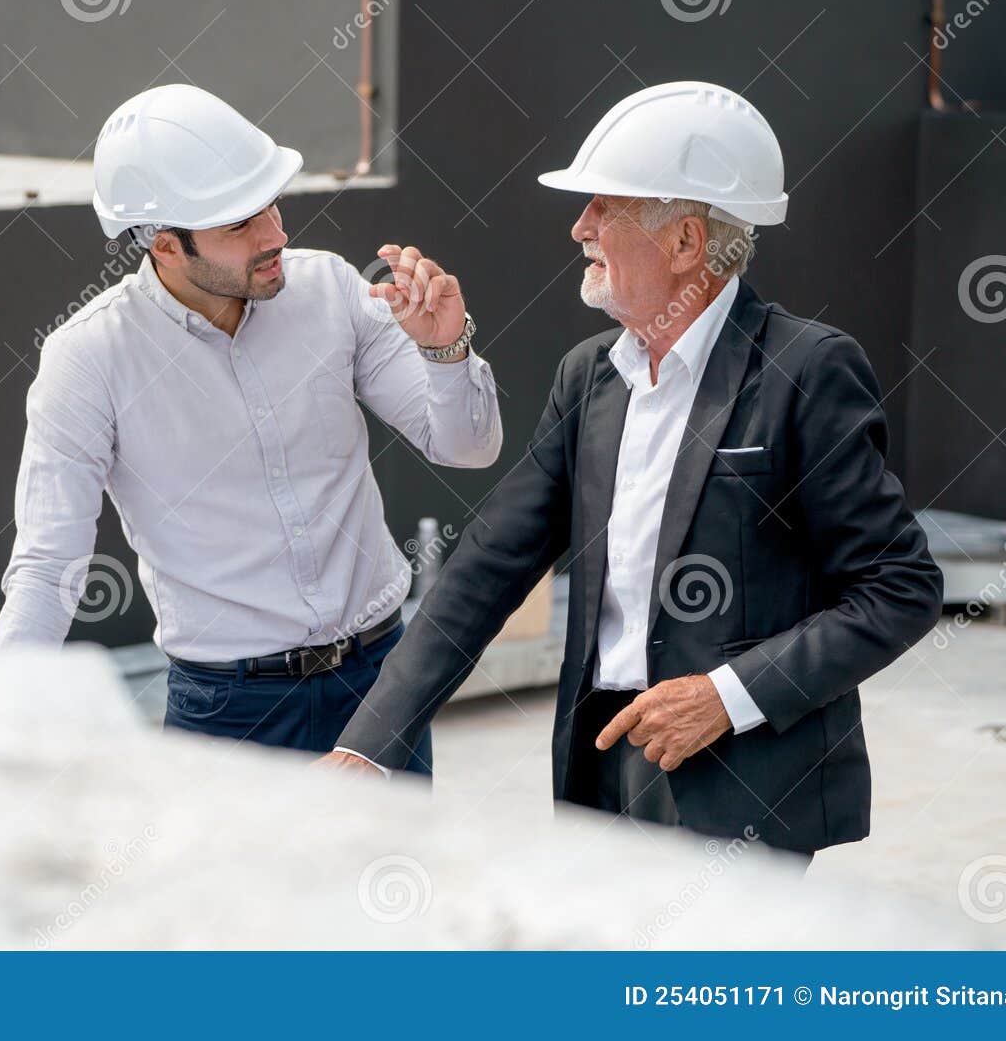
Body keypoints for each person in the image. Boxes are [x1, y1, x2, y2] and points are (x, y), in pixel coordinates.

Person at [321, 81, 943, 860]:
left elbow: (900, 586)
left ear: (686, 243)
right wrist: (372, 743)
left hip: (744, 782)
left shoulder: (805, 371)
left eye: (603, 208)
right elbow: (488, 564)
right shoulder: (591, 376)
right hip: (602, 765)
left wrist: (727, 696)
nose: (579, 227)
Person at [0, 84, 503, 776]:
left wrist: (445, 350)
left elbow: (469, 447)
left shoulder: (333, 291)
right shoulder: (88, 360)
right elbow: (49, 566)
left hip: (381, 682)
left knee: (392, 887)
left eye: (270, 204)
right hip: (227, 712)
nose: (276, 236)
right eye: (239, 224)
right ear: (166, 245)